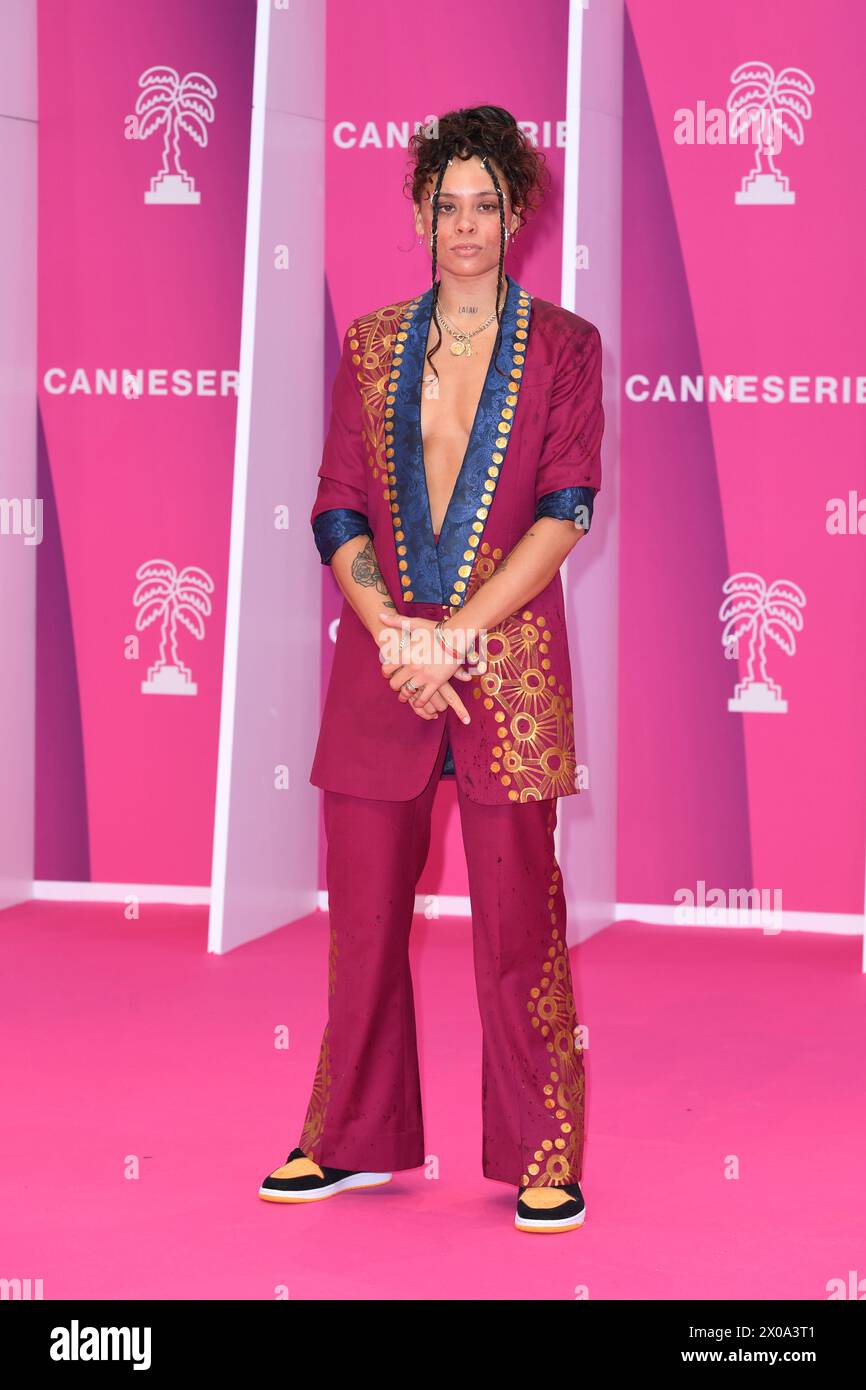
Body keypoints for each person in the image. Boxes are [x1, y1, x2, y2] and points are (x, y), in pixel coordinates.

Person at [258, 105, 604, 1233]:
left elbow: (563, 512)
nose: (465, 223)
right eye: (446, 203)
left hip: (502, 669)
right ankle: (349, 1137)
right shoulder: (366, 343)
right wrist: (392, 627)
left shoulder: (563, 347)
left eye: (485, 205)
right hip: (380, 668)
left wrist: (453, 633)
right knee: (362, 921)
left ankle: (541, 1153)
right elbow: (335, 504)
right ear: (418, 212)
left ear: (516, 216)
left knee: (519, 928)